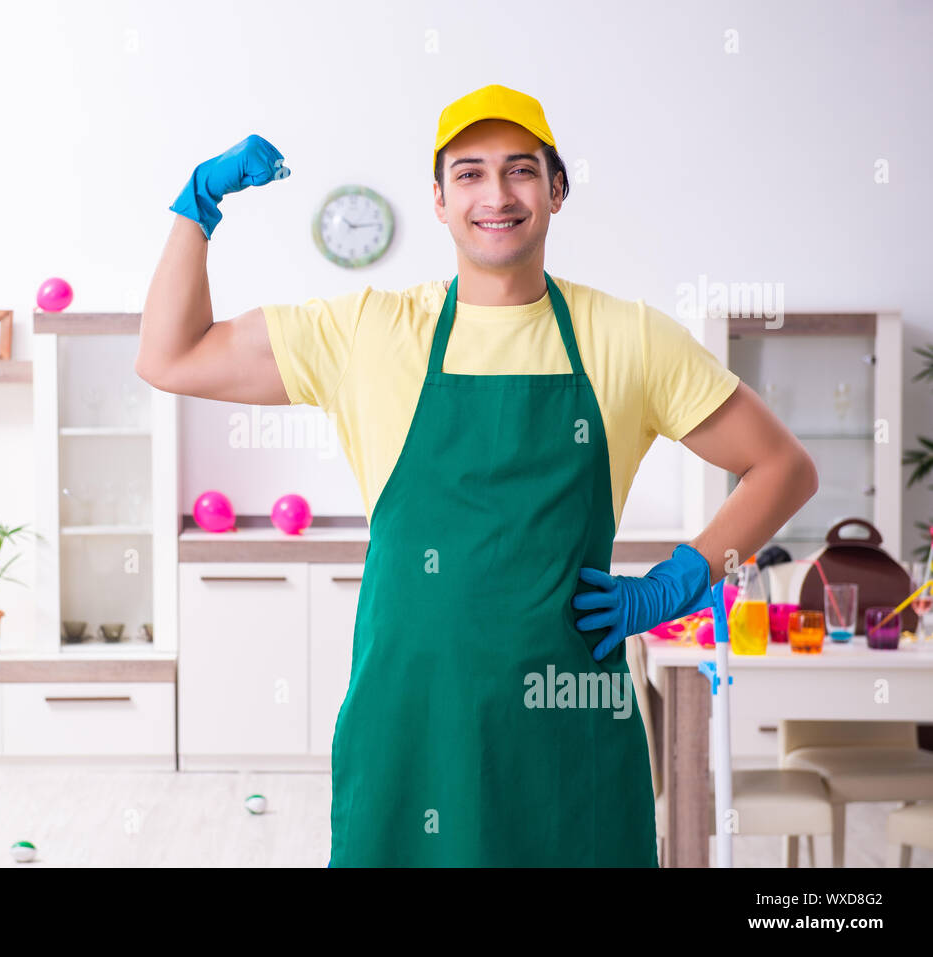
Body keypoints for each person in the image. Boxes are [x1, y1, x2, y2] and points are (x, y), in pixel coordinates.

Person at [136, 83, 818, 867]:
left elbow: (784, 468)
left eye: (521, 170)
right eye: (469, 173)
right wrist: (198, 205)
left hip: (568, 720)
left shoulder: (628, 337)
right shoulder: (368, 332)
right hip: (411, 720)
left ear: (556, 190)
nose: (496, 194)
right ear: (438, 200)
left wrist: (677, 582)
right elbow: (170, 355)